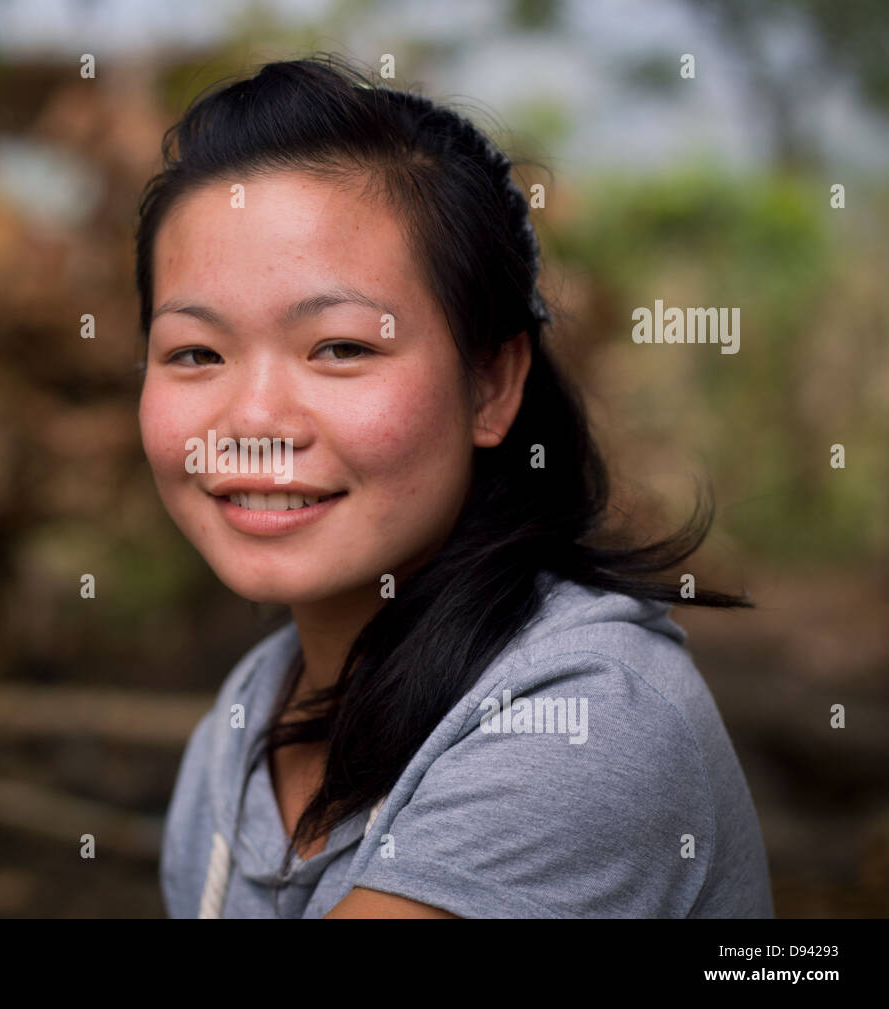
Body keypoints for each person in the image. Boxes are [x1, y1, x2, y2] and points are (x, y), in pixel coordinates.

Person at [134, 54, 773, 918]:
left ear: (491, 384)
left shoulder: (584, 720)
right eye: (195, 353)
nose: (252, 420)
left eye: (341, 347)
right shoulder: (242, 722)